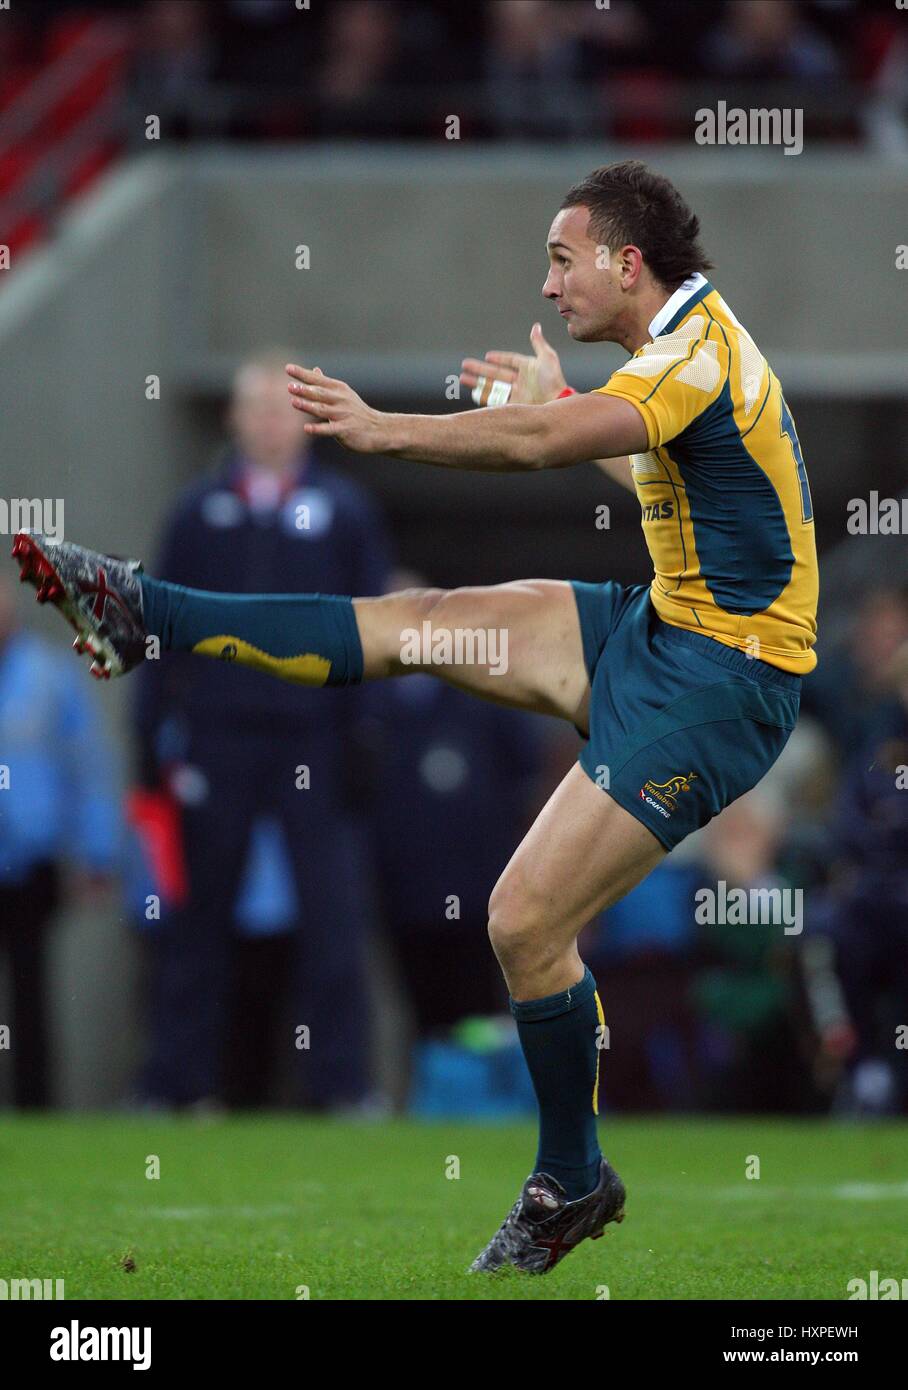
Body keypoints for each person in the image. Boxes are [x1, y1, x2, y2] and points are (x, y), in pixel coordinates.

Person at [12, 159, 818, 1275]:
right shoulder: (678, 352)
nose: (547, 287)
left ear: (624, 263)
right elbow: (661, 467)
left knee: (521, 922)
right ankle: (145, 611)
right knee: (416, 624)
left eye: (559, 258)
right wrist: (559, 408)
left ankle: (570, 1179)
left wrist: (385, 431)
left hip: (722, 683)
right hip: (659, 634)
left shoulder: (689, 356)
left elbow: (547, 448)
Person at [131, 350, 392, 1110]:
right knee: (196, 919)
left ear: (307, 421)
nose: (271, 423)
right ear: (233, 417)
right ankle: (174, 1086)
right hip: (218, 738)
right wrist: (151, 740)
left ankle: (344, 1087)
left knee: (332, 920)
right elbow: (157, 630)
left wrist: (365, 735)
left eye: (285, 409)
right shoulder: (194, 513)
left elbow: (378, 630)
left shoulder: (346, 514)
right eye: (257, 407)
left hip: (313, 737)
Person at [0, 575, 120, 1107]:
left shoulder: (47, 676)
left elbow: (86, 768)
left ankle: (35, 1102)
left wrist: (97, 853)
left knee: (31, 989)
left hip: (31, 859)